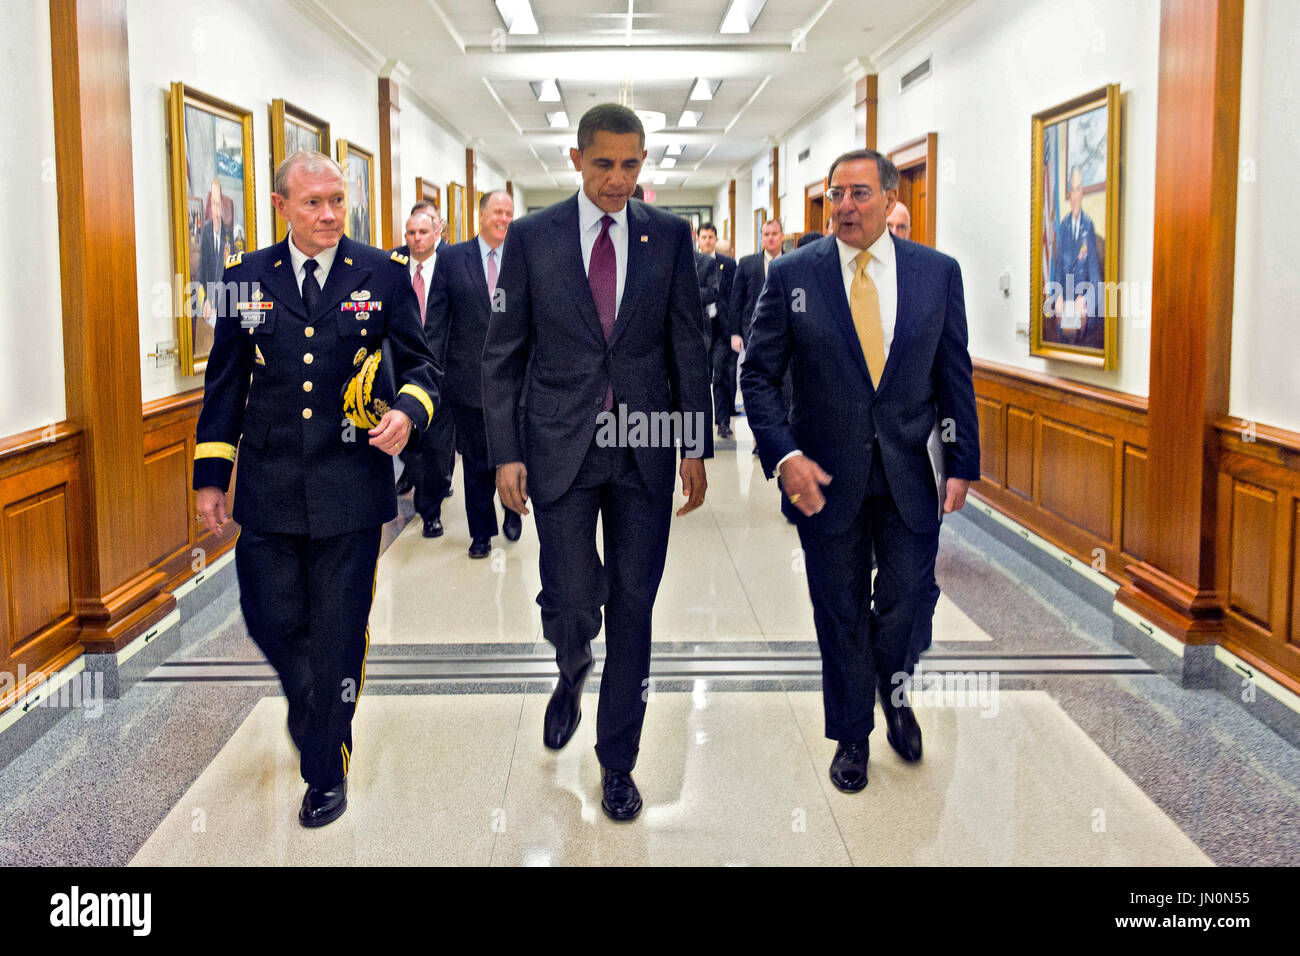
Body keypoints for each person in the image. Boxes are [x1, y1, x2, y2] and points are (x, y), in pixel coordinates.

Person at [193, 150, 439, 827]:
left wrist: (407, 410)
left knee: (336, 632)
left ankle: (325, 767)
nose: (329, 213)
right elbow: (223, 387)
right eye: (313, 202)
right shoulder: (244, 278)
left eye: (336, 199)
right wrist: (211, 477)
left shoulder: (381, 275)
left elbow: (422, 366)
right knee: (270, 618)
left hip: (350, 486)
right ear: (281, 207)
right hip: (269, 487)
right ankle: (315, 709)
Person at [482, 104, 712, 821]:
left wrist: (694, 443)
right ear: (576, 159)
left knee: (635, 609)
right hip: (560, 446)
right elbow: (502, 354)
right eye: (604, 164)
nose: (618, 179)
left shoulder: (669, 238)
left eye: (631, 165)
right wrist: (506, 454)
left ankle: (618, 762)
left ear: (645, 162)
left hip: (645, 445)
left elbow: (686, 346)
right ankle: (571, 661)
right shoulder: (531, 238)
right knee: (576, 596)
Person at [740, 148, 979, 793]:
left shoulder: (936, 274)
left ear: (891, 199)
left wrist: (961, 462)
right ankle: (852, 733)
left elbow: (954, 376)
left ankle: (893, 692)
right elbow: (757, 375)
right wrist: (784, 455)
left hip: (907, 476)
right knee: (839, 609)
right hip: (825, 478)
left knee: (906, 603)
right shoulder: (795, 274)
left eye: (860, 193)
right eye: (835, 193)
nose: (845, 205)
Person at [425, 190, 523, 557]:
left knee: (511, 452)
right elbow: (436, 320)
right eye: (498, 212)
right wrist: (432, 373)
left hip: (513, 380)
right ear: (481, 216)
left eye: (509, 213)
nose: (504, 219)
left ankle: (513, 510)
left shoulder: (521, 257)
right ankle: (481, 533)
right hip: (466, 381)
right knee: (477, 462)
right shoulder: (451, 258)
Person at [390, 208, 458, 536]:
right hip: (404, 373)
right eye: (410, 233)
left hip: (443, 373)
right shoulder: (392, 268)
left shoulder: (452, 267)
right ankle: (421, 485)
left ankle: (430, 510)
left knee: (438, 446)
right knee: (409, 443)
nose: (416, 239)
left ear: (436, 235)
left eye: (423, 232)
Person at [1051, 166, 1104, 348]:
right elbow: (1058, 272)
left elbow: (1096, 279)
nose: (1075, 195)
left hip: (1082, 307)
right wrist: (1057, 296)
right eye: (1072, 189)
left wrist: (1086, 299)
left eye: (1078, 189)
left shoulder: (1088, 226)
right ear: (1069, 194)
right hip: (1065, 307)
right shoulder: (1063, 226)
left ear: (1082, 193)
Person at [695, 222, 738, 438]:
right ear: (698, 239)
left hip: (721, 328)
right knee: (700, 379)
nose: (708, 241)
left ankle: (722, 422)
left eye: (711, 237)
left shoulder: (727, 265)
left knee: (721, 376)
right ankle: (701, 423)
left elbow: (734, 295)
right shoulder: (690, 262)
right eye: (704, 237)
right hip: (700, 328)